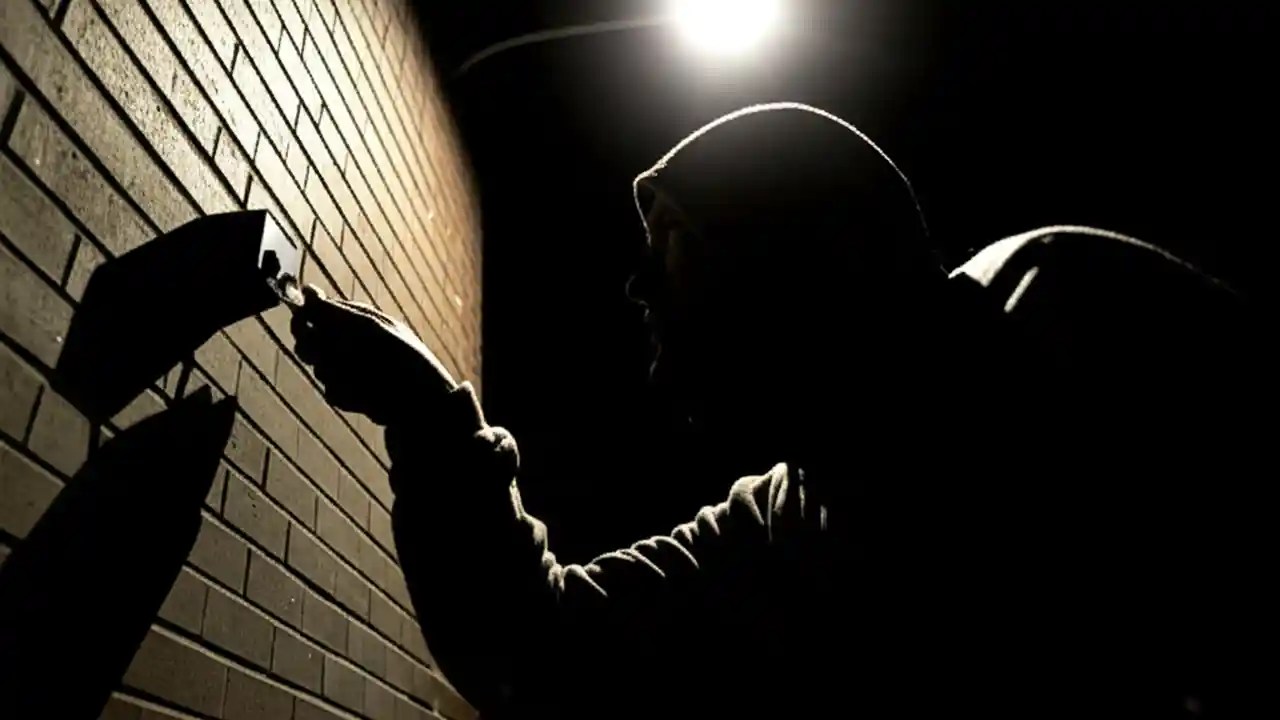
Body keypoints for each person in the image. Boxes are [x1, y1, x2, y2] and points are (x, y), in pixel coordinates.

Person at [292, 103, 1270, 719]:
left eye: (674, 238)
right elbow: (539, 652)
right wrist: (427, 419)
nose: (636, 282)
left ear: (813, 255)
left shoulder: (1060, 311)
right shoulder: (781, 517)